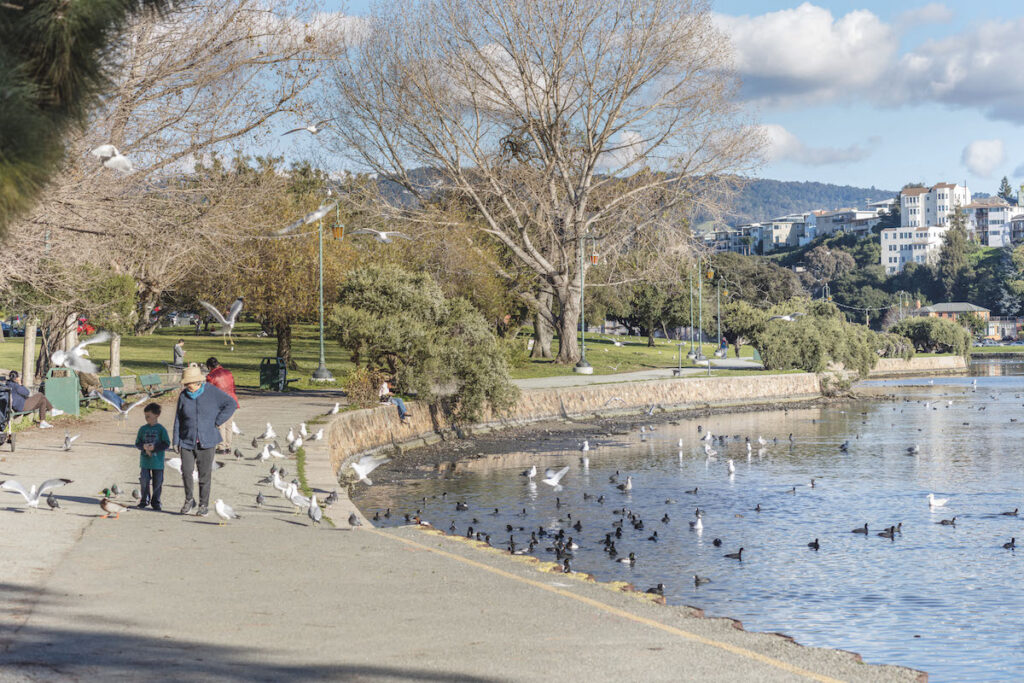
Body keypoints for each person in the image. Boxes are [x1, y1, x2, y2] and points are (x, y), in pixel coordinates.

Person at [172, 363, 236, 516]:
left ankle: (203, 504)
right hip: (187, 440)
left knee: (204, 474)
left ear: (198, 382)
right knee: (186, 472)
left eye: (190, 384)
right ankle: (189, 500)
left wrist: (217, 421)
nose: (188, 386)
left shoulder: (211, 391)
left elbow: (231, 403)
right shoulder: (183, 396)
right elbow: (178, 419)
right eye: (185, 384)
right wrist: (175, 440)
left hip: (207, 441)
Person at [134, 403, 170, 510]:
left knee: (157, 482)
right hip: (145, 461)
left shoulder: (161, 429)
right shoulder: (142, 429)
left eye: (148, 416)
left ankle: (156, 501)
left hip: (157, 462)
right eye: (145, 416)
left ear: (157, 415)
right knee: (144, 480)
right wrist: (144, 446)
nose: (146, 418)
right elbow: (137, 443)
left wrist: (154, 447)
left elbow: (166, 444)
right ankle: (144, 500)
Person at [204, 357, 239, 453]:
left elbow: (209, 392)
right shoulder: (228, 372)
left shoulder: (210, 376)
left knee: (220, 424)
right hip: (232, 400)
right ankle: (228, 446)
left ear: (209, 367)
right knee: (229, 425)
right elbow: (233, 387)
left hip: (220, 402)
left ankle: (221, 447)